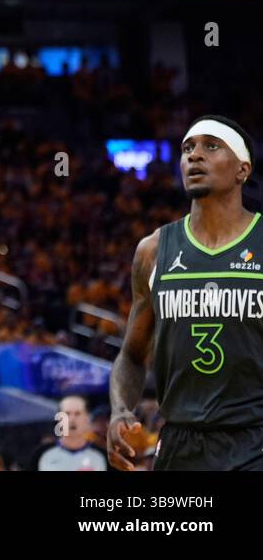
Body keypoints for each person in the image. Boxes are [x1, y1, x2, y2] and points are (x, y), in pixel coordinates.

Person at [109, 115, 263, 470]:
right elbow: (131, 355)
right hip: (181, 442)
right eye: (187, 148)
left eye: (211, 146)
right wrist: (120, 410)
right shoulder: (152, 250)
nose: (195, 155)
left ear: (242, 170)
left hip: (254, 440)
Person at [31, 394, 107, 470]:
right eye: (67, 413)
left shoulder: (102, 456)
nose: (72, 419)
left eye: (77, 414)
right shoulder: (41, 454)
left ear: (87, 418)